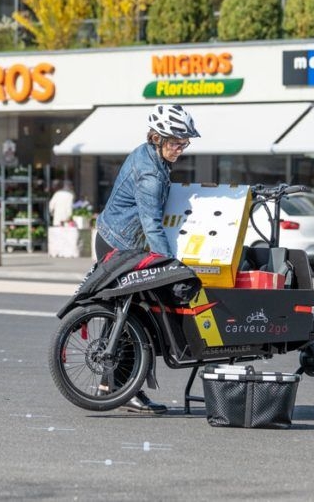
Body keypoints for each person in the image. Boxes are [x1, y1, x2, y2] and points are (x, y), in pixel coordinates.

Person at [94, 103, 200, 414]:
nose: (180, 149)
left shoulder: (151, 155)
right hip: (120, 244)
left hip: (119, 238)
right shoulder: (150, 171)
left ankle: (111, 385)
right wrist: (169, 265)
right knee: (136, 314)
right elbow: (151, 221)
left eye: (184, 143)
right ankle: (126, 389)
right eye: (175, 142)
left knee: (129, 314)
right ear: (156, 136)